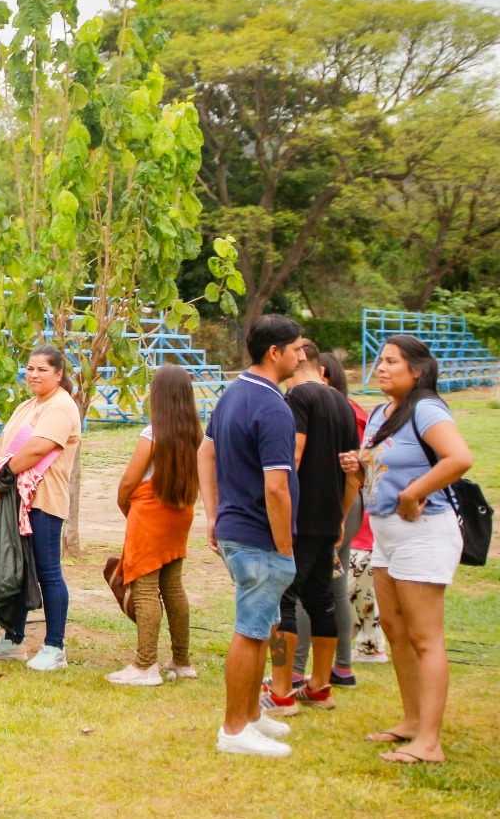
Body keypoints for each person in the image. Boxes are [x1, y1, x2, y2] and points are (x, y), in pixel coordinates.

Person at [344, 335, 472, 765]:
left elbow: (459, 458)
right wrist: (359, 465)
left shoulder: (426, 409)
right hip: (386, 533)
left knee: (424, 636)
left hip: (424, 532)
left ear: (416, 370)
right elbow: (381, 468)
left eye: (392, 362)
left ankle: (429, 743)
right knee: (396, 630)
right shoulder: (383, 413)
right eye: (380, 360)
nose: (381, 367)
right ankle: (413, 722)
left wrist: (414, 492)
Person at [197, 314, 304, 757]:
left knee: (264, 626)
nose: (302, 355)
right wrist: (285, 545)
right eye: (296, 348)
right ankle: (234, 729)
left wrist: (213, 513)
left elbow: (205, 452)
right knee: (250, 630)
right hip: (260, 535)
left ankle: (252, 715)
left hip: (237, 528)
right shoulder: (273, 407)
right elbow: (276, 487)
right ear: (274, 352)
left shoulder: (233, 393)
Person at [263, 340, 360, 716]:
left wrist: (279, 510)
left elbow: (294, 455)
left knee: (281, 599)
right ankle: (320, 686)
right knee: (321, 599)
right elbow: (353, 471)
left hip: (299, 519)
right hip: (328, 519)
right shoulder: (343, 403)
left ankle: (281, 690)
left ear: (298, 358)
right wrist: (340, 517)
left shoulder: (298, 398)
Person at [0, 345, 82, 672]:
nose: (33, 375)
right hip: (17, 500)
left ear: (59, 374)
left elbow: (38, 448)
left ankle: (55, 646)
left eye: (42, 369)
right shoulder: (29, 405)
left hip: (44, 502)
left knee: (47, 572)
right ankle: (13, 639)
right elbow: (3, 442)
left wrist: (5, 474)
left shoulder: (61, 407)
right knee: (19, 572)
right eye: (30, 368)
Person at [106, 363, 200, 686]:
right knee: (173, 588)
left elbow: (129, 480)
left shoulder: (153, 434)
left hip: (150, 516)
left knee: (145, 589)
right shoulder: (195, 434)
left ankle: (145, 665)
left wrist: (126, 505)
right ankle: (182, 661)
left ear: (157, 395)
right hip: (179, 515)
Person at [292, 353, 374, 688]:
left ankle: (295, 671)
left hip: (328, 508)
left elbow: (353, 469)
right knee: (334, 587)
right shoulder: (348, 407)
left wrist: (339, 514)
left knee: (303, 590)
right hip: (342, 507)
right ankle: (341, 668)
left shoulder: (308, 403)